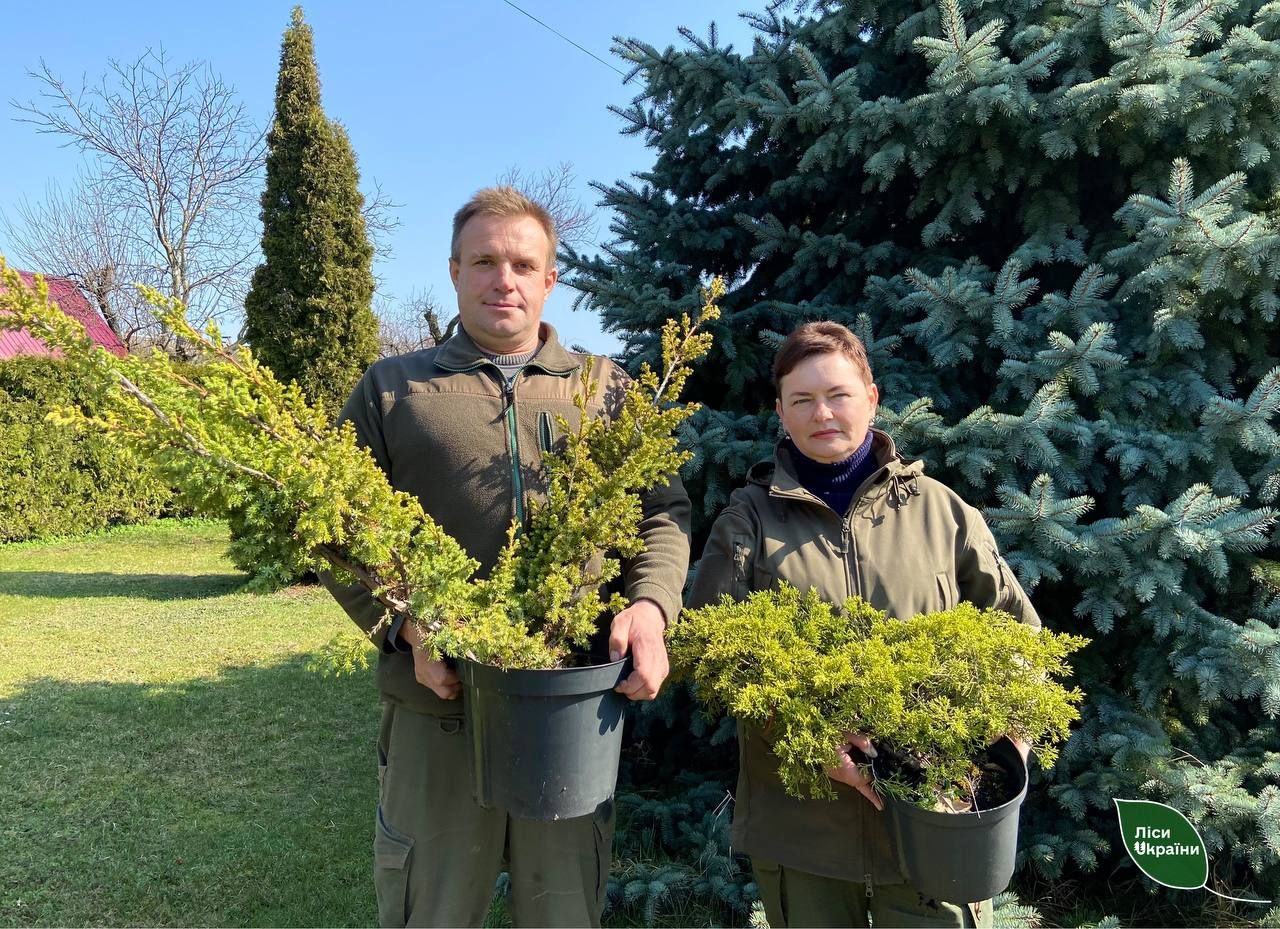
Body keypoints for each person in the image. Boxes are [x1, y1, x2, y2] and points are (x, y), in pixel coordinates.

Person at [321, 186, 691, 928]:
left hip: (572, 708)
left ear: (550, 278)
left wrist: (651, 608)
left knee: (562, 912)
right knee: (432, 909)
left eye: (524, 263)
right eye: (485, 260)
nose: (504, 278)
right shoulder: (394, 391)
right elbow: (337, 529)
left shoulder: (604, 390)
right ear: (454, 270)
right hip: (440, 704)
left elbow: (662, 513)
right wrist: (407, 627)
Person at [686, 321, 1039, 929]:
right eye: (802, 399)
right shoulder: (746, 520)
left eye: (839, 394)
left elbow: (1019, 637)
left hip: (936, 820)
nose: (822, 413)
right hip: (803, 830)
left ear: (871, 397)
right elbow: (709, 654)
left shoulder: (941, 510)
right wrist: (805, 734)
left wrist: (998, 747)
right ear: (780, 411)